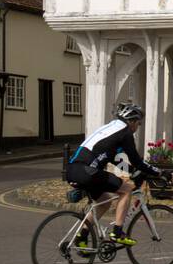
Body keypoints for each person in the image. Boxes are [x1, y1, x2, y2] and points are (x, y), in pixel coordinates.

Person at [66, 101, 162, 247]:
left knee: (104, 201)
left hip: (73, 170)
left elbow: (114, 158)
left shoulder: (109, 128)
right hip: (88, 172)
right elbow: (137, 160)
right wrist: (160, 172)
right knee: (127, 189)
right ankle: (117, 232)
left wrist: (132, 171)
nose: (138, 127)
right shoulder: (125, 133)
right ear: (132, 121)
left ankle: (82, 237)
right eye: (138, 123)